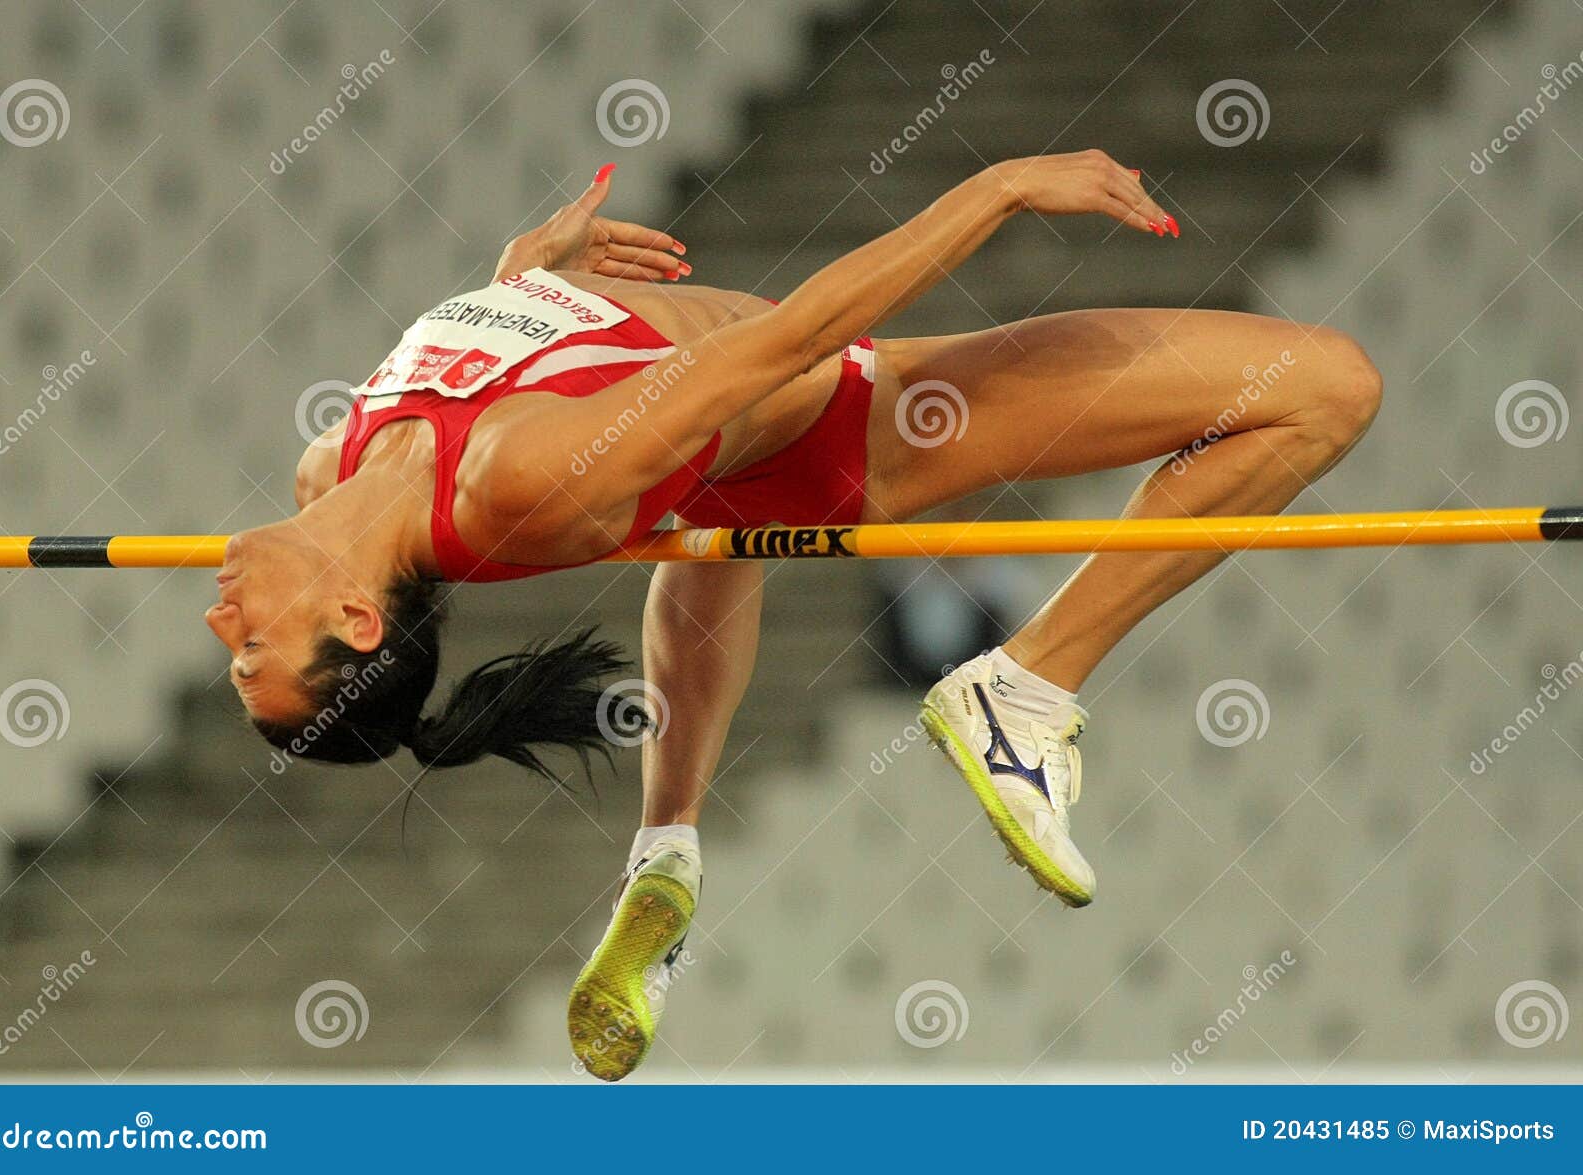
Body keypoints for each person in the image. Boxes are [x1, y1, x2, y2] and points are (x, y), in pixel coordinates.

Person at [207, 155, 1382, 1081]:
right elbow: (792, 336)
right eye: (252, 652)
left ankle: (665, 846)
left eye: (235, 653)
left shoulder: (337, 468)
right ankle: (1023, 684)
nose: (222, 626)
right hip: (850, 418)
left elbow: (485, 367)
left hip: (687, 467)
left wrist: (525, 273)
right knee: (1324, 387)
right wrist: (1003, 187)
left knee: (694, 515)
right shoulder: (519, 480)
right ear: (360, 619)